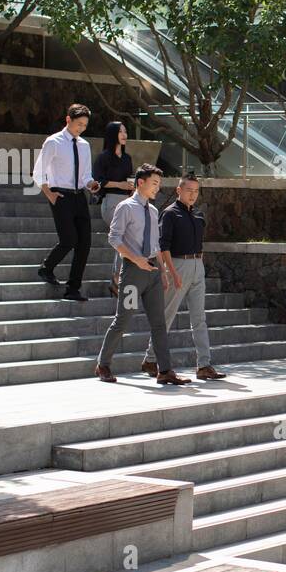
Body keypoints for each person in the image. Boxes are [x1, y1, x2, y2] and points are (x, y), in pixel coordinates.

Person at [94, 164, 191, 385]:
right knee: (123, 319)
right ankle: (103, 364)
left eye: (159, 184)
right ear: (141, 183)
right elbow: (114, 238)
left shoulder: (154, 210)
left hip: (153, 274)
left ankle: (165, 371)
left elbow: (155, 244)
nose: (157, 188)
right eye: (154, 183)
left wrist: (163, 272)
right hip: (132, 273)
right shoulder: (125, 207)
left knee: (159, 322)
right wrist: (136, 259)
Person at [141, 171, 226, 381]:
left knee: (200, 319)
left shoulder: (198, 214)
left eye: (196, 191)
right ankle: (151, 359)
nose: (193, 194)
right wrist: (170, 272)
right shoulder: (169, 213)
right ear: (179, 190)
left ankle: (204, 365)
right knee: (167, 317)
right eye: (189, 190)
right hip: (177, 265)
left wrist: (200, 264)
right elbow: (163, 246)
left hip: (197, 265)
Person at [35, 104, 99, 301]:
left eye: (85, 125)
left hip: (79, 196)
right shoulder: (53, 142)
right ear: (68, 120)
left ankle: (73, 288)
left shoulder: (84, 145)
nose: (81, 128)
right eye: (79, 124)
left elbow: (86, 174)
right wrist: (49, 194)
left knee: (85, 243)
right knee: (69, 239)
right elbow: (39, 171)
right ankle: (47, 267)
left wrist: (91, 184)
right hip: (60, 195)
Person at [93, 120, 134, 297]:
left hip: (126, 202)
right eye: (121, 132)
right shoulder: (103, 157)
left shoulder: (127, 158)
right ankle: (117, 279)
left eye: (125, 131)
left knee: (125, 239)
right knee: (123, 238)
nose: (124, 135)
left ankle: (116, 279)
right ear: (113, 135)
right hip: (110, 202)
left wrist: (131, 187)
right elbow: (98, 181)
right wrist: (120, 184)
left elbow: (130, 179)